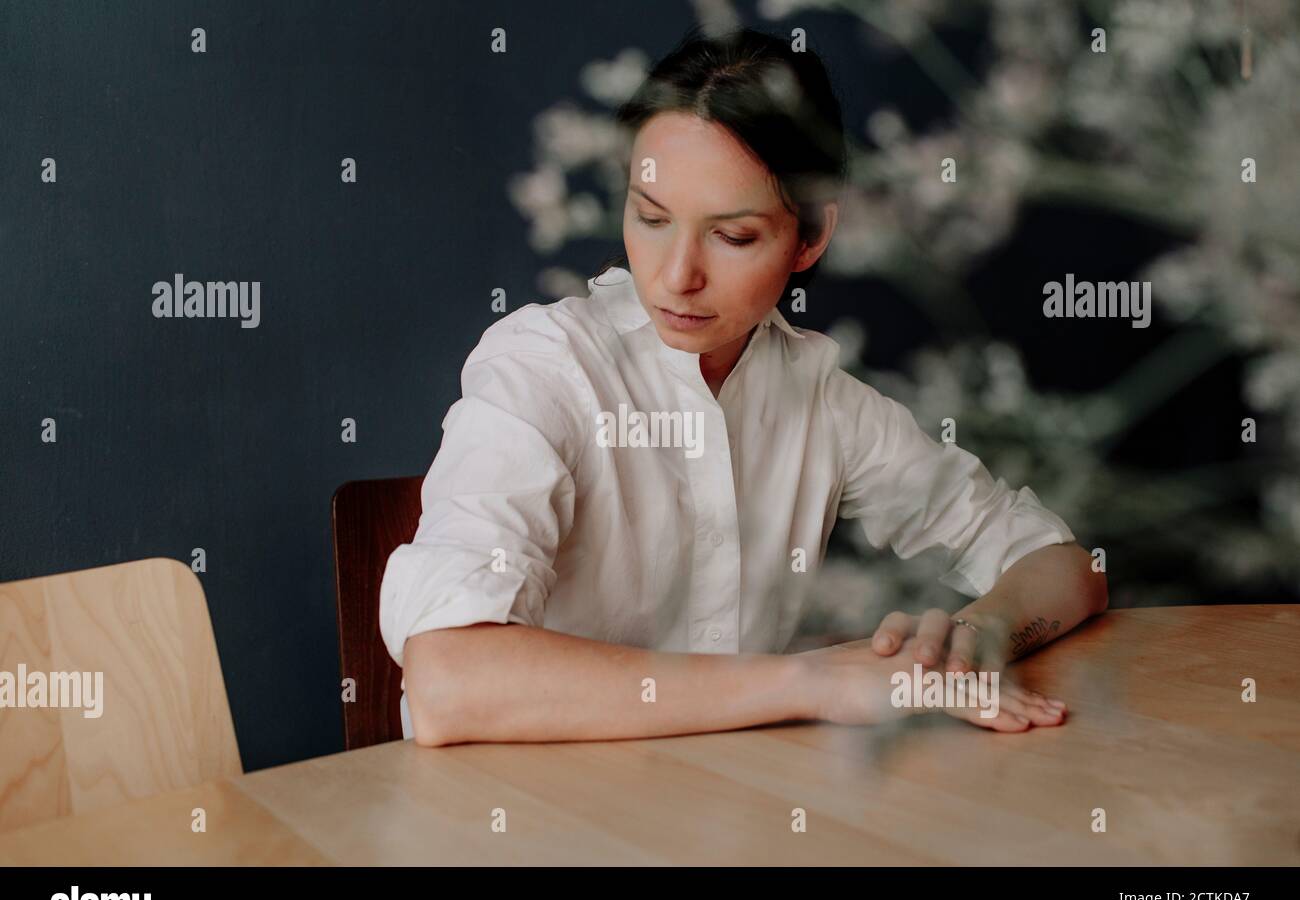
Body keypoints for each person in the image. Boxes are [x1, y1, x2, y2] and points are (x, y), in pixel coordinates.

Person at [379, 27, 1108, 747]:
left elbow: (1067, 568)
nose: (676, 276)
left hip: (729, 814)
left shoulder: (820, 398)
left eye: (733, 237)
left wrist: (966, 641)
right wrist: (821, 681)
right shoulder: (544, 365)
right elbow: (449, 681)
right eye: (651, 217)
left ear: (813, 235)